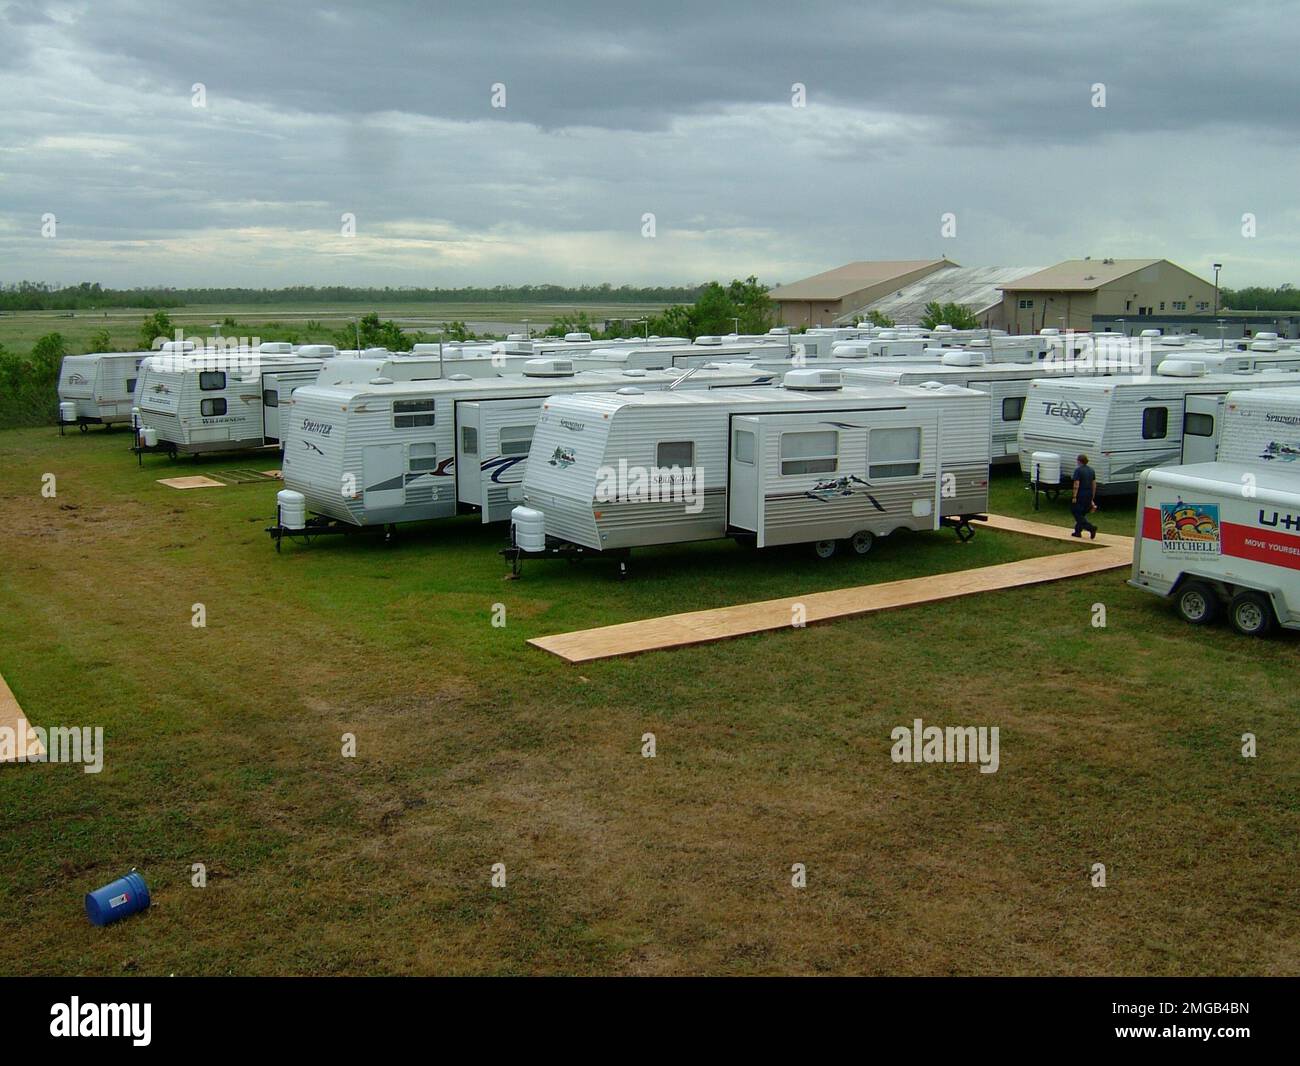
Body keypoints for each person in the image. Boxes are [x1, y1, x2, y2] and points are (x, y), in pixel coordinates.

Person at [1071, 453, 1099, 539]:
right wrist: (1092, 497)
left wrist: (1074, 496)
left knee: (1076, 512)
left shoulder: (1078, 470)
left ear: (1079, 461)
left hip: (1081, 494)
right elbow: (1094, 484)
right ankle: (1077, 532)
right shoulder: (1091, 470)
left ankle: (1091, 528)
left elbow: (1076, 484)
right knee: (1082, 513)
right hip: (1089, 493)